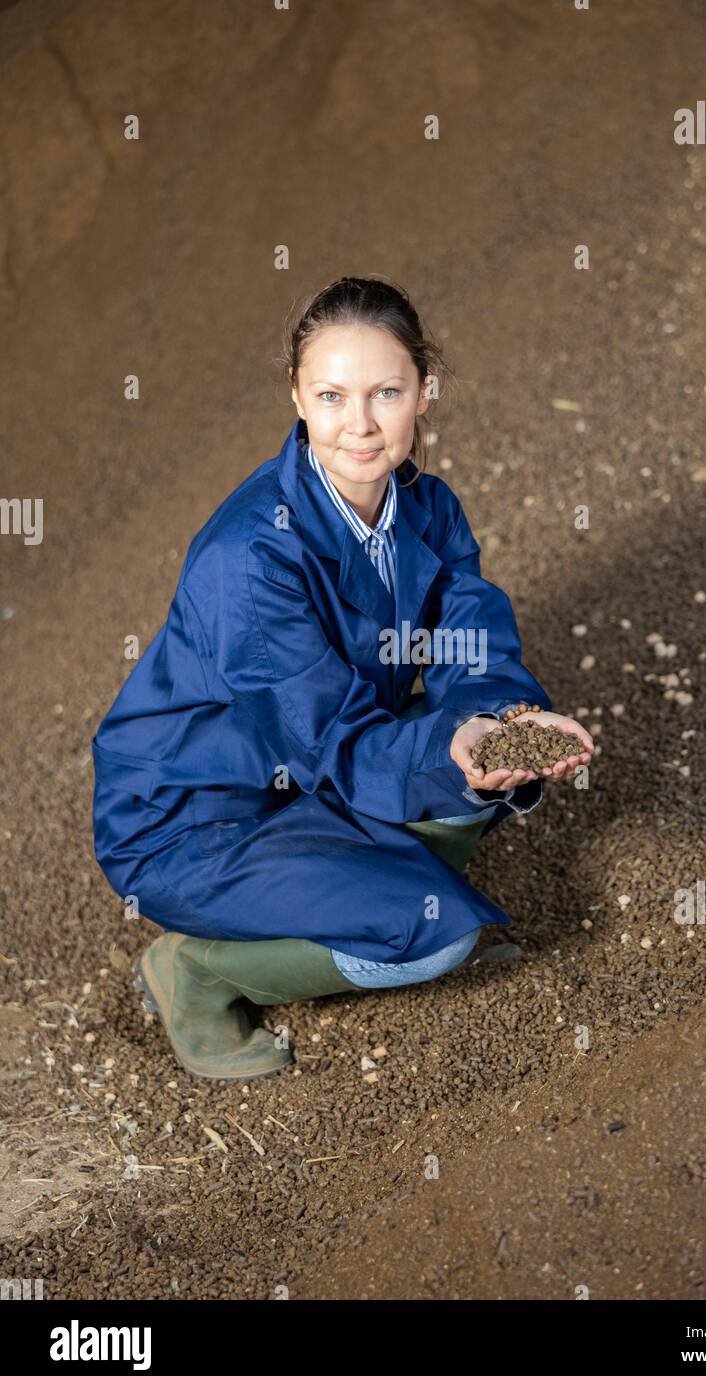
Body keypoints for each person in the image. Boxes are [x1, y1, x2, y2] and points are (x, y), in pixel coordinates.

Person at [91, 275, 593, 1082]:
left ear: (424, 392)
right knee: (434, 937)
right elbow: (336, 739)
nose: (359, 424)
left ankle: (366, 877)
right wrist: (455, 747)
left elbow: (474, 651)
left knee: (475, 782)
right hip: (194, 818)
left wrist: (498, 724)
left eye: (386, 392)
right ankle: (196, 968)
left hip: (312, 778)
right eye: (331, 395)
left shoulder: (429, 509)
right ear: (296, 394)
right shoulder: (247, 557)